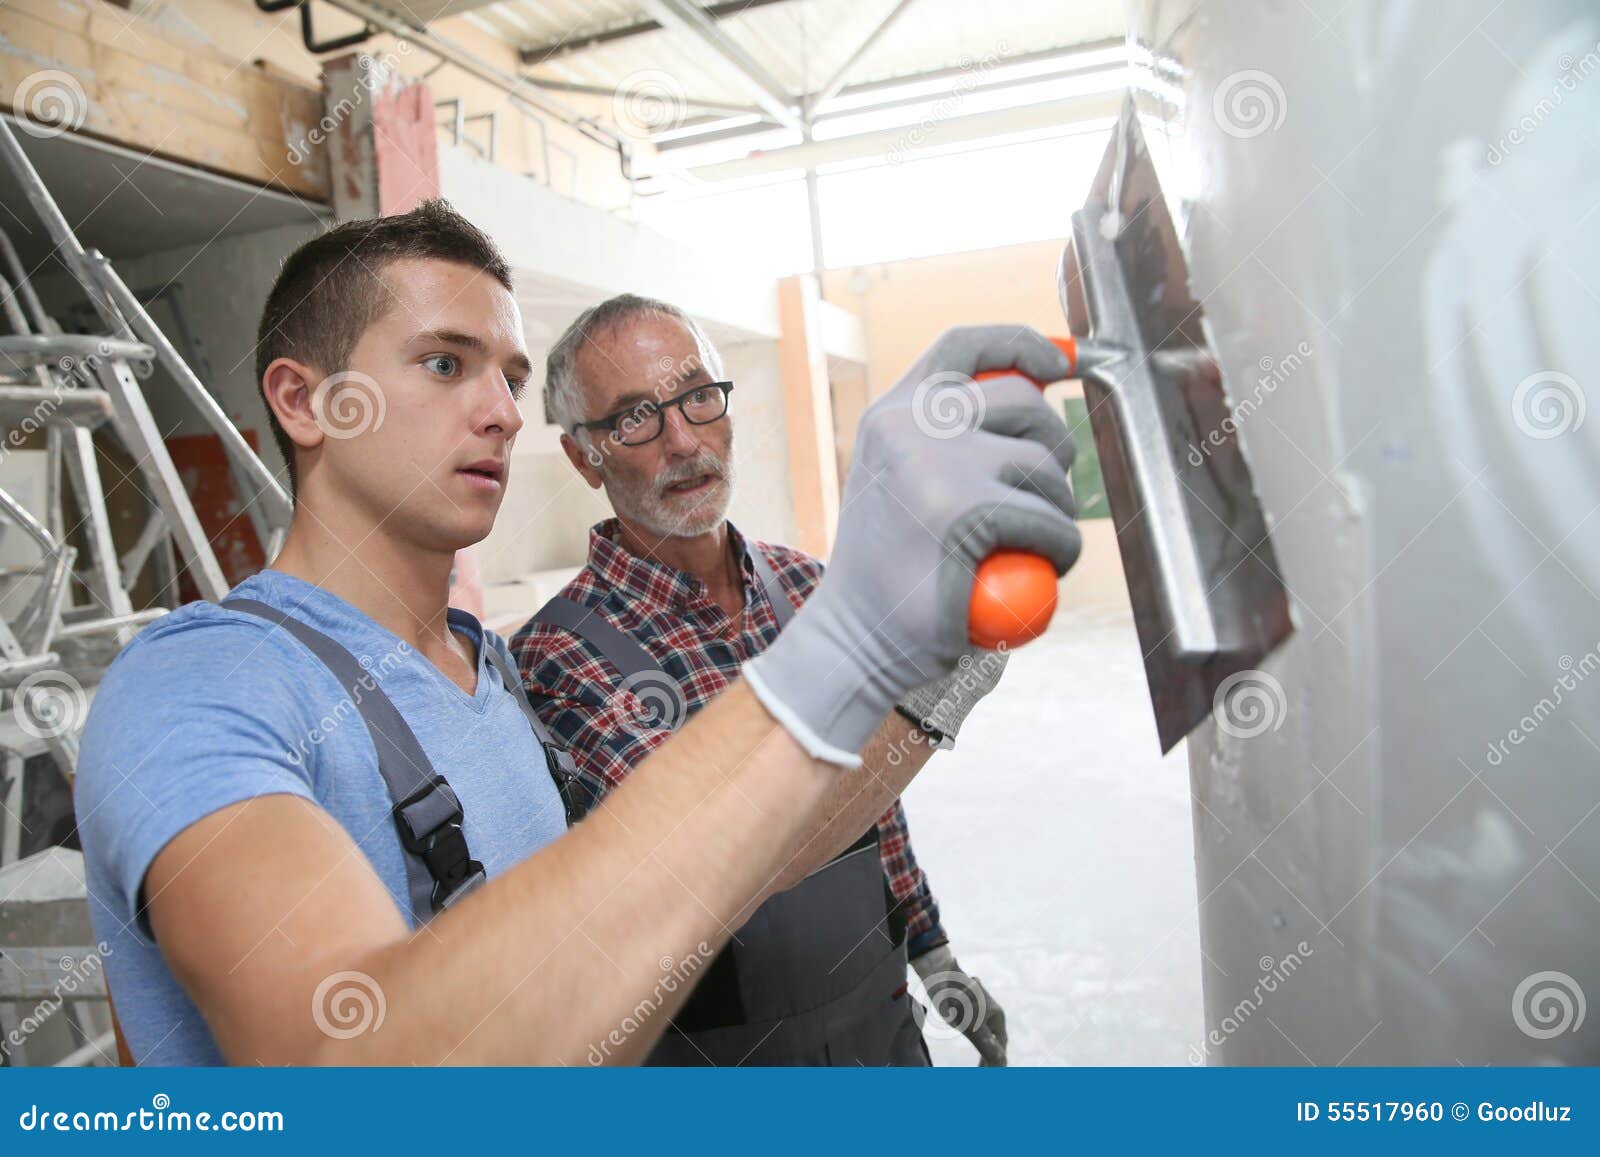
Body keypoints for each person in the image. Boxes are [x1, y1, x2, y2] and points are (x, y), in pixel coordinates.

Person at [72, 199, 1081, 1065]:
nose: (498, 412)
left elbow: (677, 901)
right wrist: (856, 646)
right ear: (303, 400)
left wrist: (928, 667)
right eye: (442, 363)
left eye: (507, 376)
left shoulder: (491, 675)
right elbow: (349, 1064)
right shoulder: (196, 684)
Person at [512, 293, 1010, 1065]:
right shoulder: (562, 658)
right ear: (586, 456)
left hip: (880, 1034)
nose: (683, 439)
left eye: (698, 398)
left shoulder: (810, 588)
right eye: (636, 418)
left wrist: (932, 951)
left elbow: (874, 809)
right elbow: (719, 856)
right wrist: (937, 681)